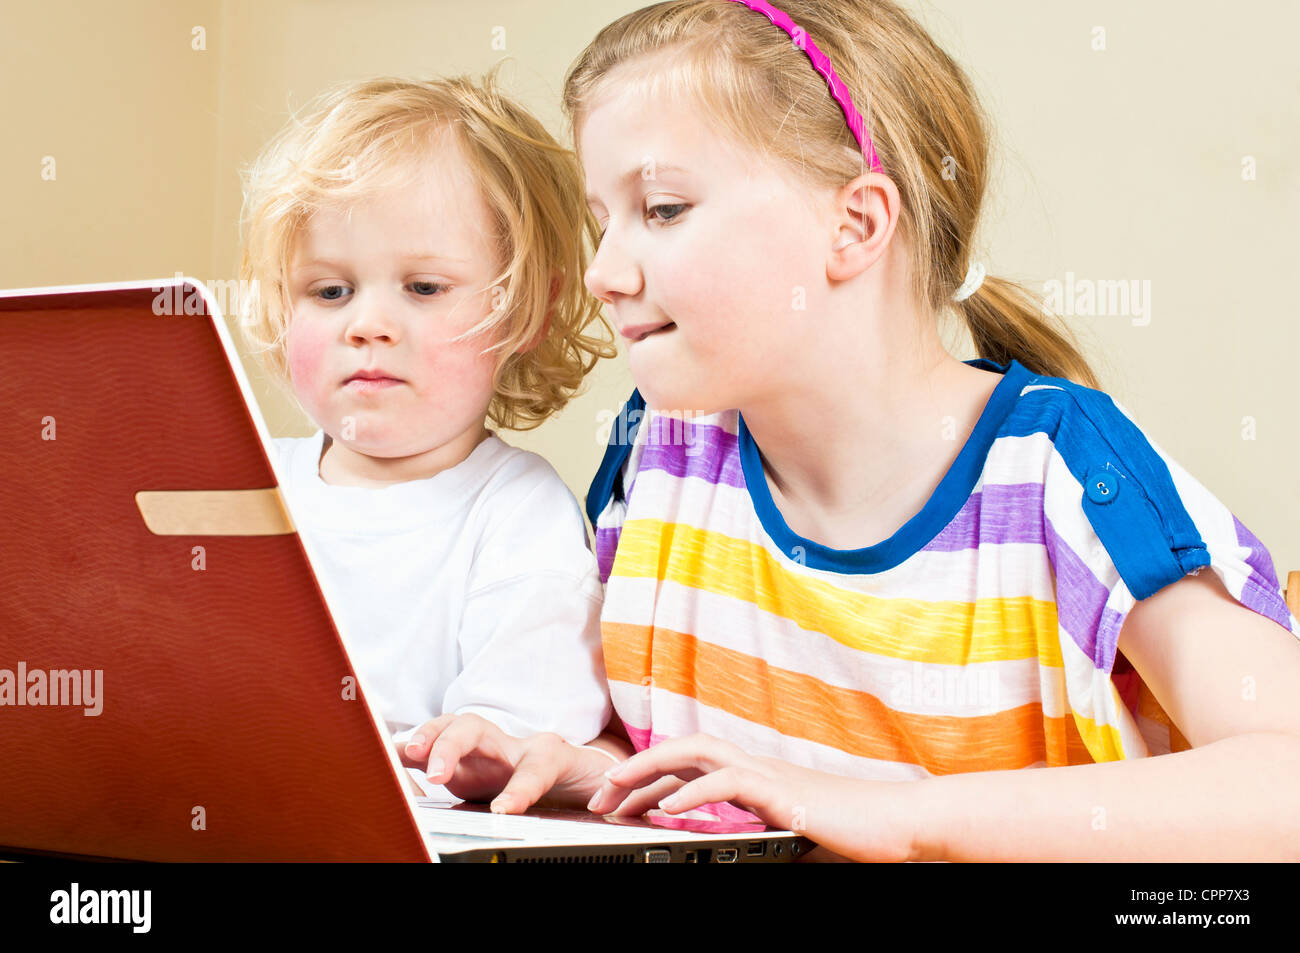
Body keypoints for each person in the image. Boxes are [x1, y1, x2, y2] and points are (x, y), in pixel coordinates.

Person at [402, 0, 1300, 860]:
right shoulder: (662, 452)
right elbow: (698, 770)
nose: (601, 272)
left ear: (855, 224)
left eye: (663, 209)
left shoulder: (1065, 475)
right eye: (603, 222)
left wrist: (897, 816)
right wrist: (581, 770)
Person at [236, 72, 621, 786]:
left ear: (524, 311)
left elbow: (517, 725)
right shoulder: (244, 481)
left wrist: (483, 739)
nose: (369, 325)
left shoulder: (517, 513)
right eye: (329, 291)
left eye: (423, 287)